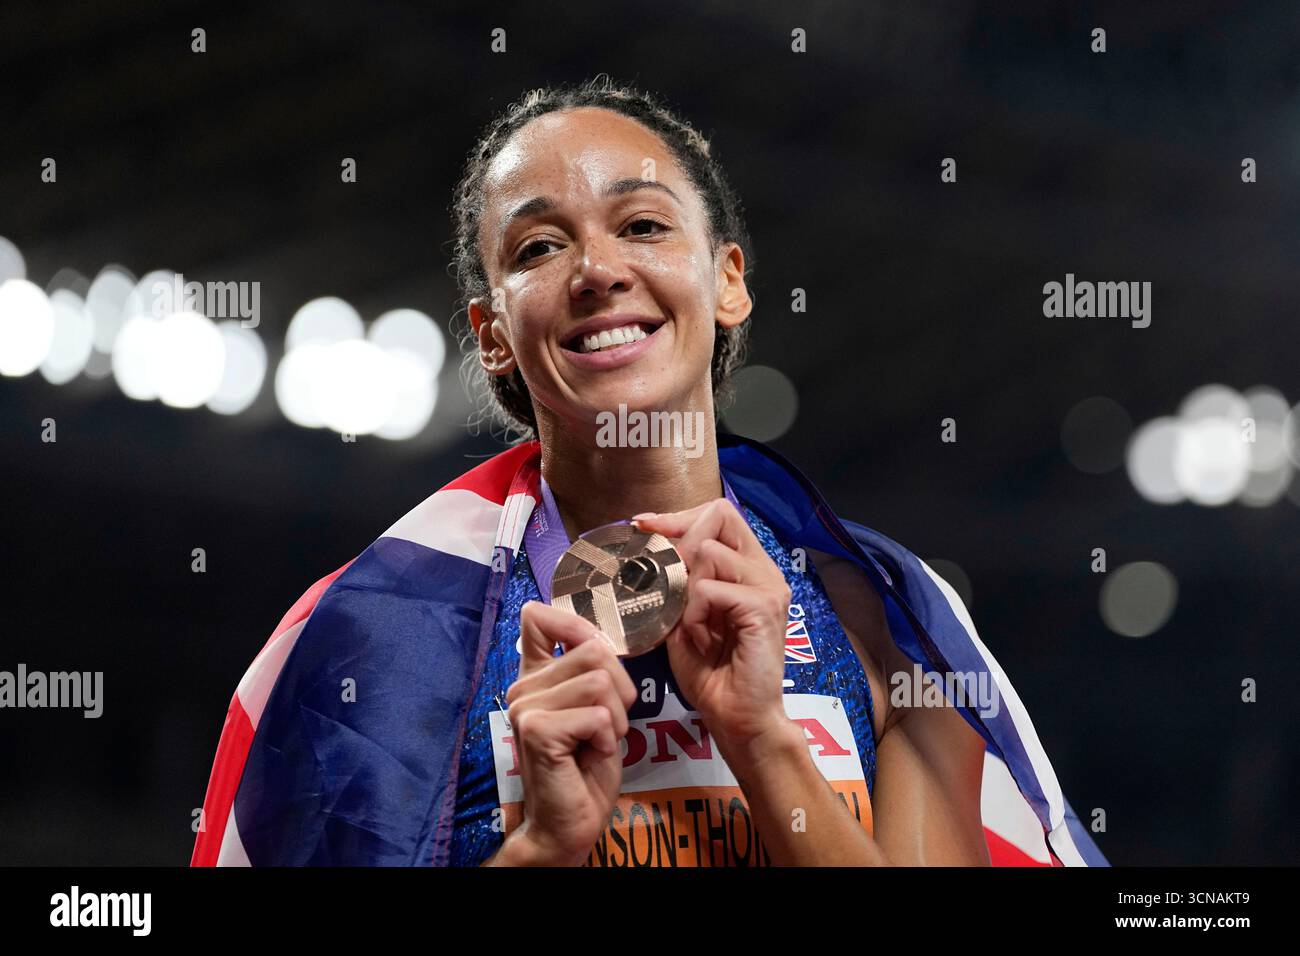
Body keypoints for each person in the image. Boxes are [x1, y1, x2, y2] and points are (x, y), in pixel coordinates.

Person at [191, 76, 1106, 868]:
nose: (597, 268)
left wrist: (762, 740)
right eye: (539, 248)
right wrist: (544, 846)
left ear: (728, 281)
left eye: (641, 224)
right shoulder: (377, 636)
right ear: (494, 336)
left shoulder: (879, 617)